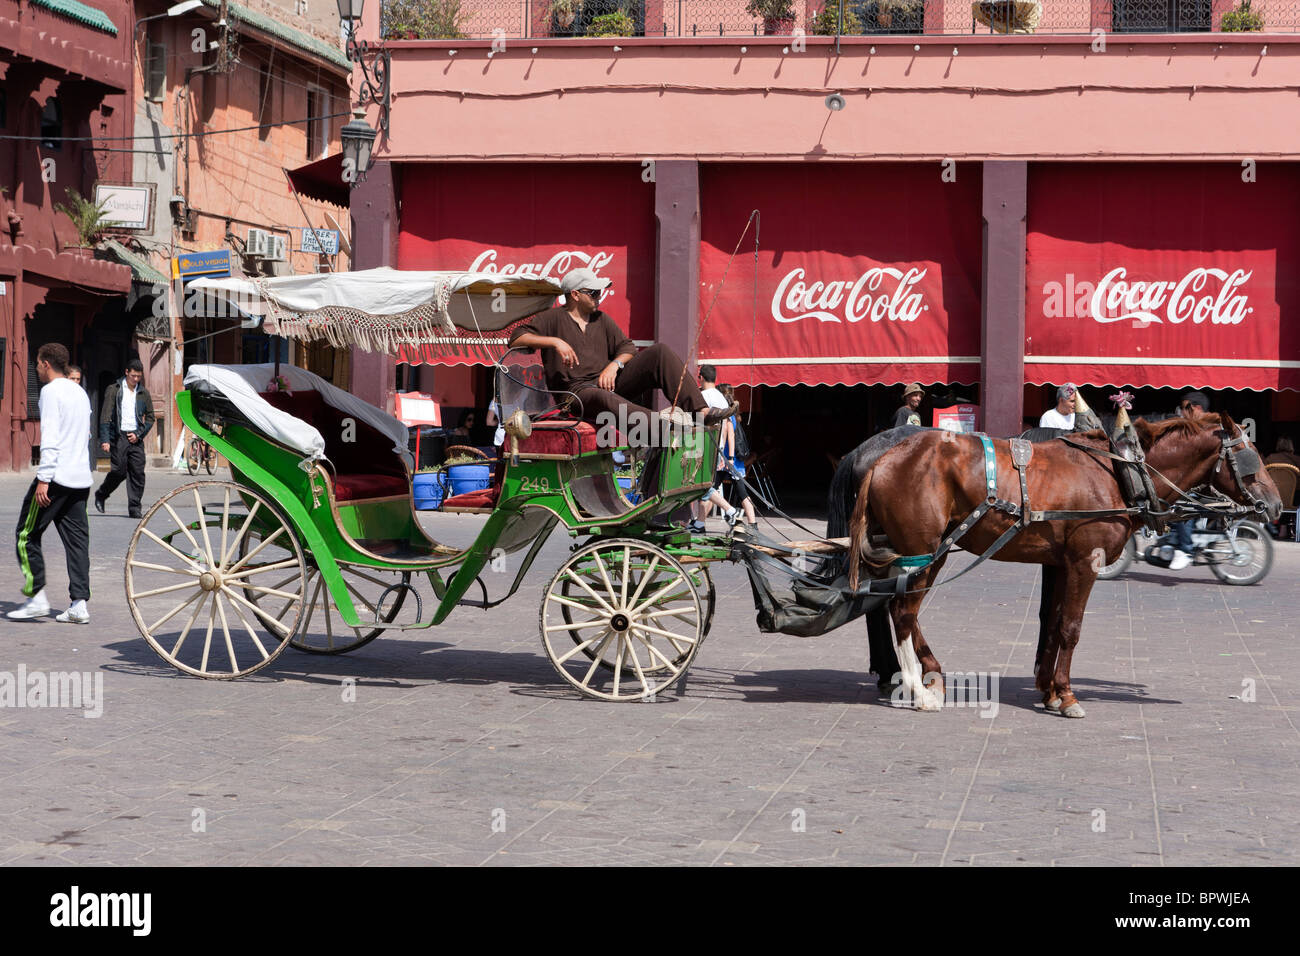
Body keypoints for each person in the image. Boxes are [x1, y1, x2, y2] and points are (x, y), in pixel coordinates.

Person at [508, 268, 737, 441]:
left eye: (600, 292)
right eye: (593, 292)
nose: (599, 297)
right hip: (575, 395)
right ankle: (665, 429)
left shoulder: (602, 319)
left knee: (660, 352)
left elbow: (627, 347)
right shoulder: (552, 319)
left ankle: (701, 411)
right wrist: (555, 342)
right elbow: (516, 338)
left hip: (607, 383)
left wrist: (614, 364)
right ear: (575, 295)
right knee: (604, 398)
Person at [8, 344, 93, 623]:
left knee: (26, 534)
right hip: (80, 478)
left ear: (46, 363)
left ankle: (36, 597)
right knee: (77, 542)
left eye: (37, 364)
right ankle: (79, 604)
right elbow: (85, 436)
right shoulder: (79, 392)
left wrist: (43, 479)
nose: (35, 369)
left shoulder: (50, 391)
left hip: (55, 478)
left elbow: (51, 439)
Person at [94, 358, 154, 519]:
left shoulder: (143, 393)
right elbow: (105, 415)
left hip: (136, 437)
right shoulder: (114, 389)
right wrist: (105, 439)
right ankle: (102, 493)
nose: (135, 379)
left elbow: (150, 418)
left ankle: (135, 508)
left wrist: (139, 434)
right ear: (126, 372)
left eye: (138, 377)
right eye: (133, 375)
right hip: (119, 436)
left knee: (138, 473)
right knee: (119, 470)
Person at [1166, 390, 1211, 569]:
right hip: (1201, 482)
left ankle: (1185, 550)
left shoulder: (1207, 428)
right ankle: (1174, 539)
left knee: (1182, 504)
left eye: (1185, 408)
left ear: (1197, 408)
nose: (1182, 413)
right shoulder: (1199, 427)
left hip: (1209, 487)